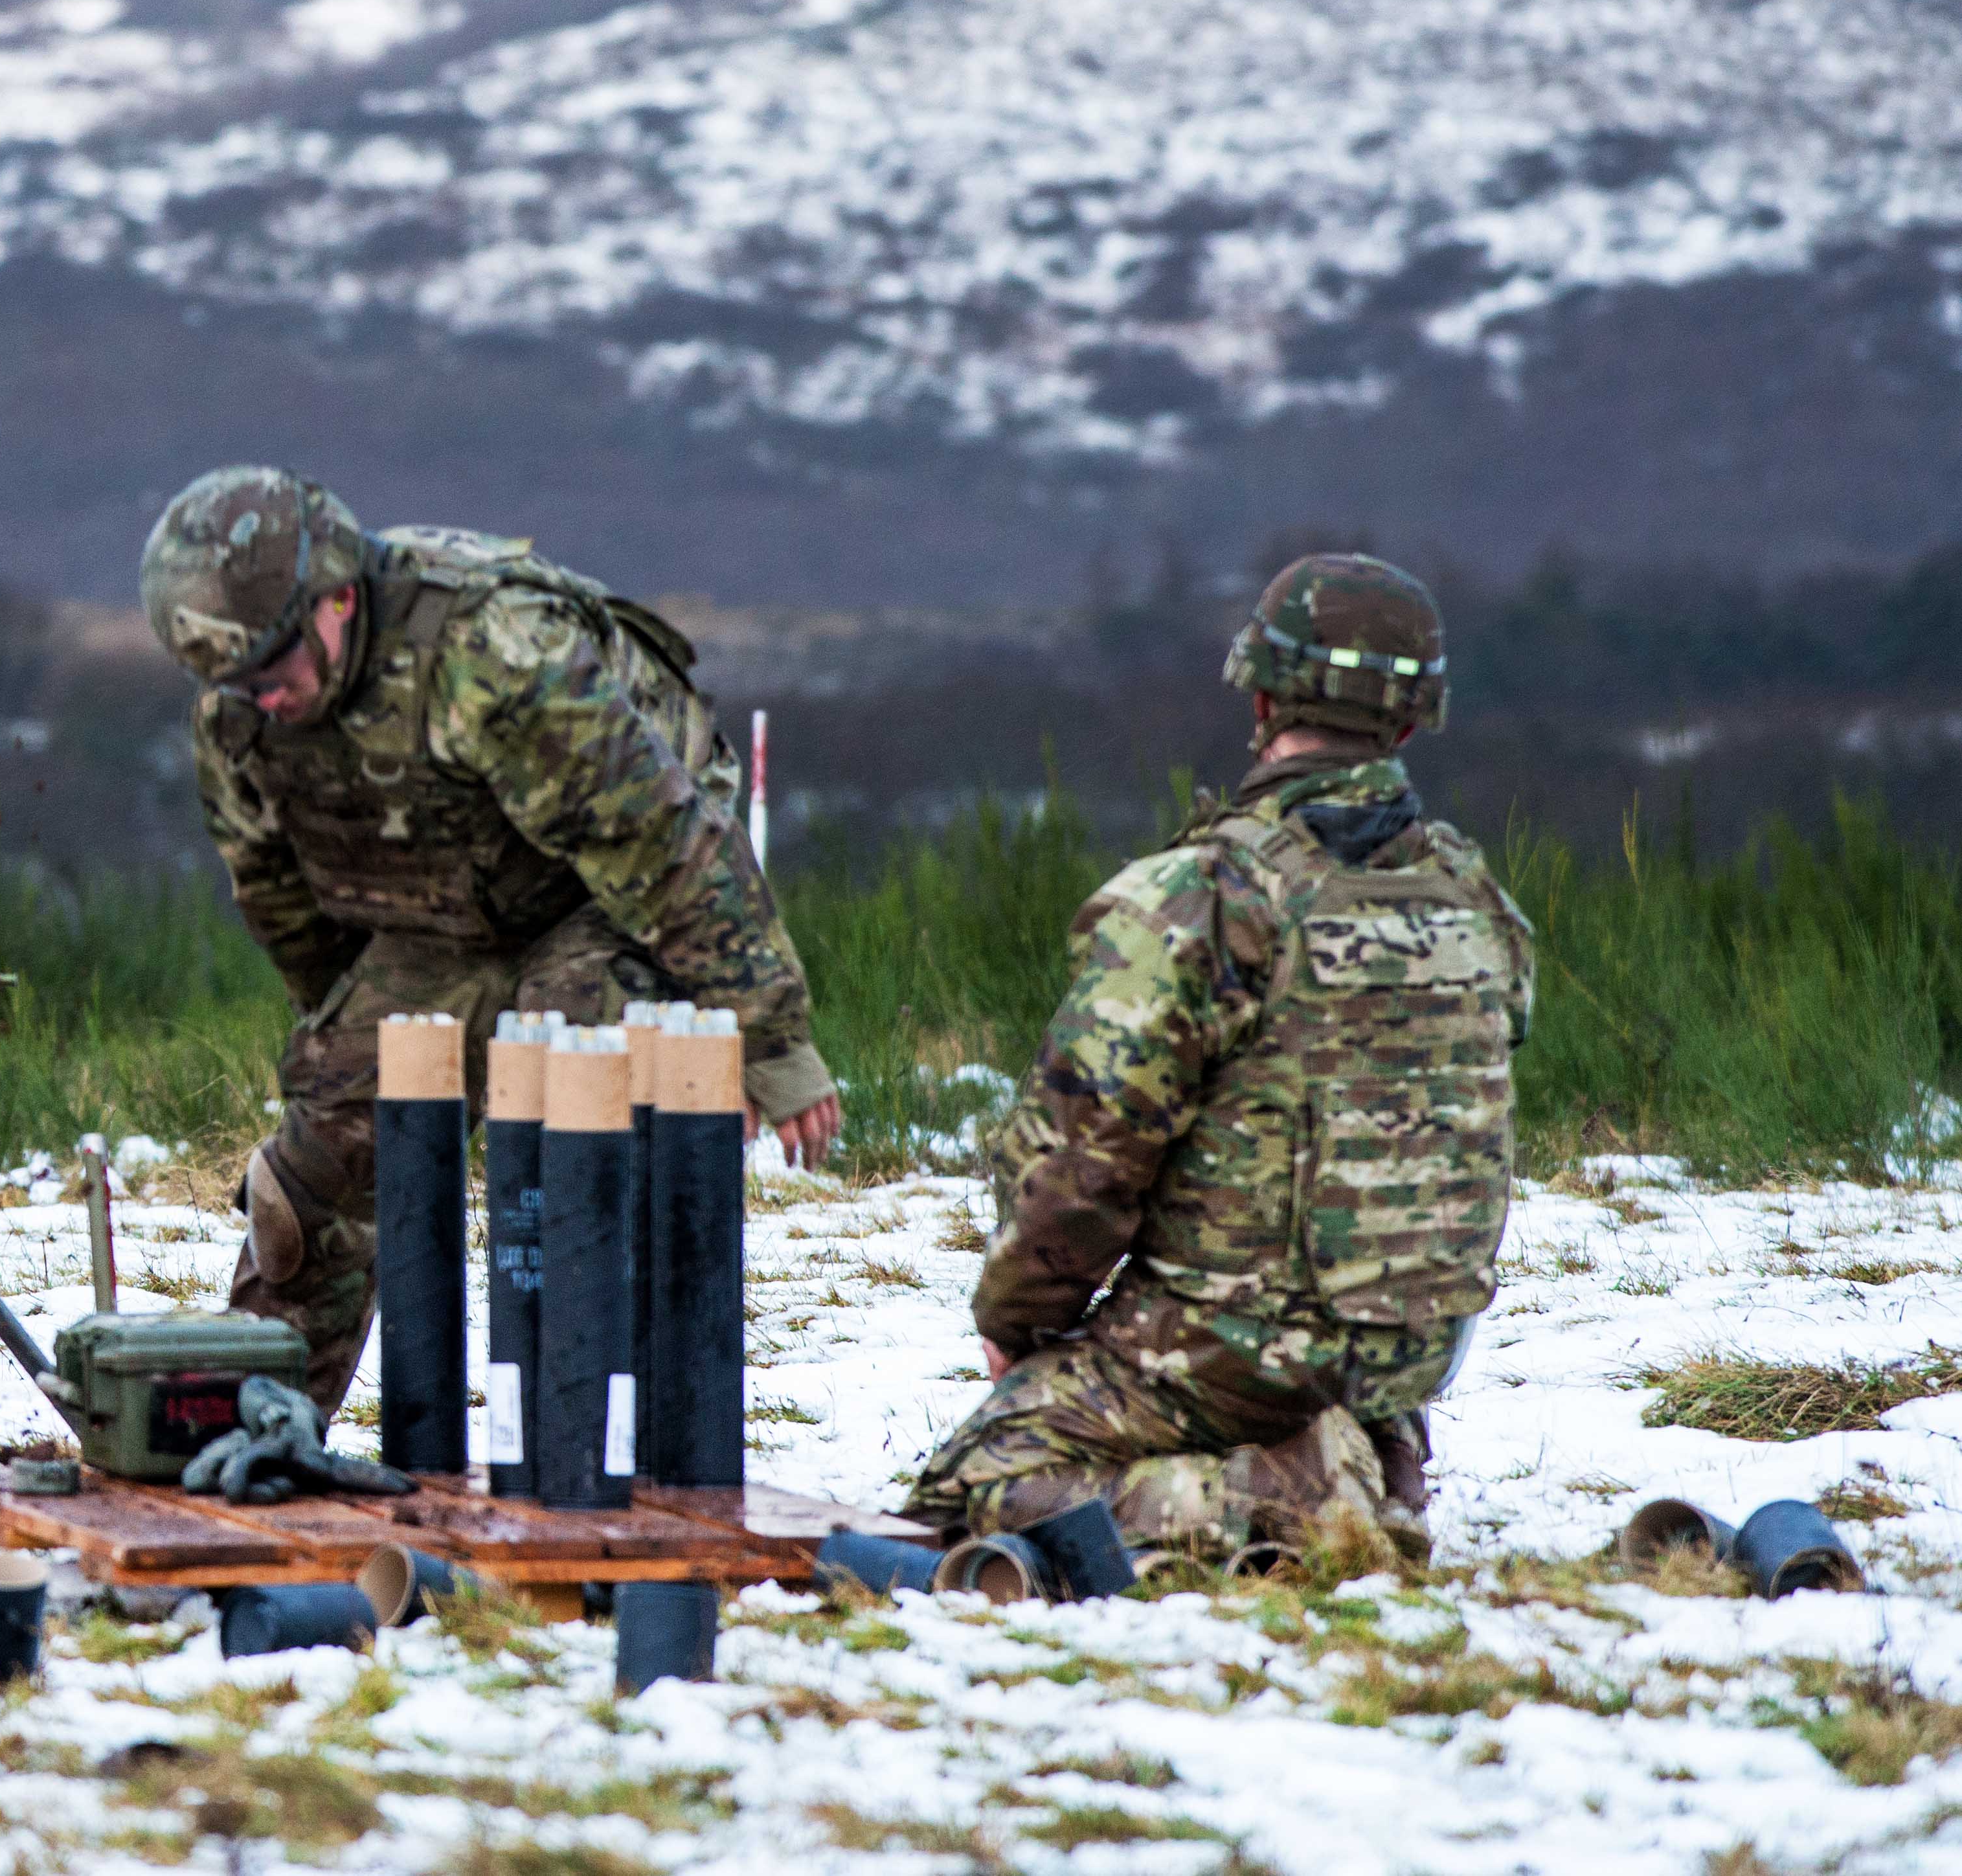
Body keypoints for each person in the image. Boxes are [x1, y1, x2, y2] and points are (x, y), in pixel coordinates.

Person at [139, 465, 839, 1408]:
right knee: (327, 1152)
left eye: (273, 667)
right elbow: (280, 896)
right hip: (454, 905)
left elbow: (657, 840)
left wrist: (773, 1036)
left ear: (337, 600)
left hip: (608, 888)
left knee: (569, 1080)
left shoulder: (490, 652)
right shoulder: (240, 715)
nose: (260, 697)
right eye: (234, 681)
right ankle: (260, 1431)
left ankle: (607, 1443)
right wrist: (359, 1039)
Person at [907, 553, 1533, 1565]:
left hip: (1233, 1350)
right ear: (1411, 724)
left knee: (984, 1479)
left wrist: (1023, 1326)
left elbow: (1080, 1163)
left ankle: (1286, 1497)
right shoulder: (1477, 903)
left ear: (1263, 697)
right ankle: (1377, 1457)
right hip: (1412, 1353)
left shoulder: (1203, 901)